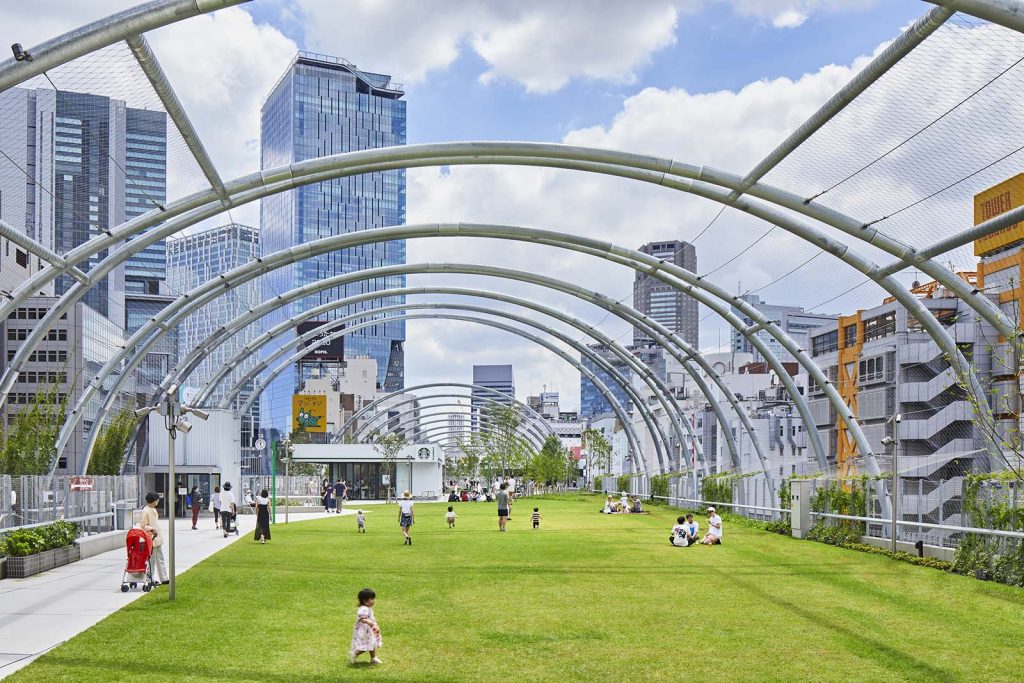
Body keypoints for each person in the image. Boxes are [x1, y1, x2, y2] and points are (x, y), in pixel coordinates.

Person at [139, 492, 168, 584]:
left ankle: (164, 578)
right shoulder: (145, 511)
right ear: (154, 501)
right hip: (151, 538)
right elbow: (143, 525)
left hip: (157, 538)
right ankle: (149, 579)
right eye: (157, 500)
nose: (158, 501)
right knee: (152, 561)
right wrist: (152, 529)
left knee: (160, 558)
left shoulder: (152, 509)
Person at [349, 587, 383, 665]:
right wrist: (369, 622)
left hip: (369, 630)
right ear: (365, 600)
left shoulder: (367, 608)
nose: (374, 601)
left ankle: (373, 658)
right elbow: (362, 619)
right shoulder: (364, 609)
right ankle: (354, 653)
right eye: (372, 599)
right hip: (365, 631)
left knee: (372, 643)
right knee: (366, 645)